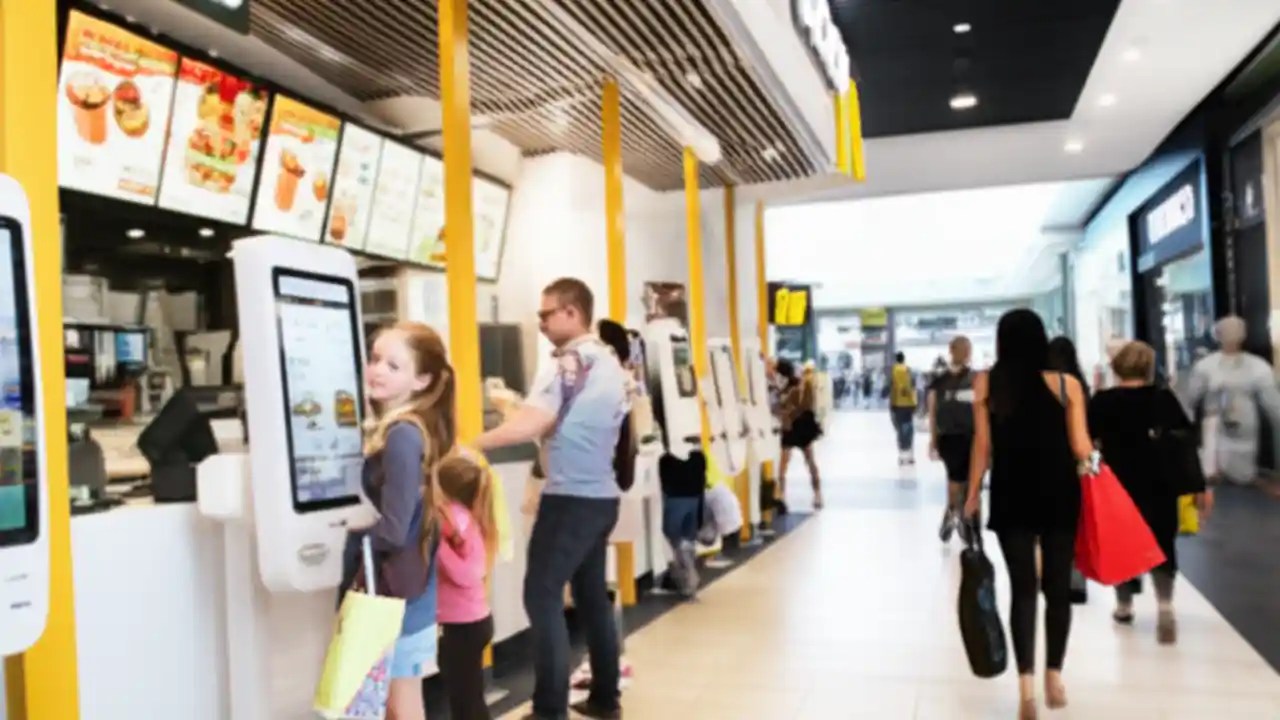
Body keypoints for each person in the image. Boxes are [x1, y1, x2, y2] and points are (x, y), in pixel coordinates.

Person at [474, 278, 627, 720]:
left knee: (541, 595)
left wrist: (470, 444)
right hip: (601, 498)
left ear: (573, 313)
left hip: (569, 498)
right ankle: (604, 698)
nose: (540, 322)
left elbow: (532, 425)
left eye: (546, 313)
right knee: (591, 595)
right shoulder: (610, 361)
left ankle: (548, 711)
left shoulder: (568, 361)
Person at [963, 309, 1093, 720]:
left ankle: (1026, 692)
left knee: (1022, 588)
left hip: (1011, 491)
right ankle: (1054, 676)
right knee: (1057, 588)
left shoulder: (988, 382)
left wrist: (970, 496)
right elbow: (1081, 447)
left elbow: (982, 446)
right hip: (1059, 492)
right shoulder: (1066, 383)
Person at [344, 322, 455, 720]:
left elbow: (393, 526)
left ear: (421, 379)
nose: (377, 371)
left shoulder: (403, 435)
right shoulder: (402, 430)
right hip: (409, 587)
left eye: (393, 365)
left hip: (399, 594)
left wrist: (351, 533)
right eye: (375, 359)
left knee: (401, 703)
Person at [1088, 341, 1213, 645]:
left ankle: (1124, 605)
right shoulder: (1163, 399)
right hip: (1160, 481)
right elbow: (1186, 443)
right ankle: (1165, 604)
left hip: (1117, 483)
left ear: (1117, 367)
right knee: (1161, 542)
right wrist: (1198, 485)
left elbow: (1088, 441)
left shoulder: (1103, 401)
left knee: (1121, 544)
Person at [1183, 316, 1280, 491]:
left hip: (1243, 421)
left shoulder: (1257, 366)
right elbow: (1191, 397)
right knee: (1213, 465)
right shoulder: (1206, 366)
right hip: (1214, 422)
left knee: (1242, 469)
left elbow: (1273, 404)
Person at [435, 455, 498, 720]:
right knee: (471, 697)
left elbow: (468, 572)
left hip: (464, 627)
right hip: (471, 623)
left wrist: (438, 547)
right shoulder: (467, 518)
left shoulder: (456, 520)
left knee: (464, 701)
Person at [928, 336, 974, 542]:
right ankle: (953, 514)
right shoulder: (940, 381)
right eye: (962, 348)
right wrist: (933, 439)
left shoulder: (976, 379)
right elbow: (932, 410)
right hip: (950, 437)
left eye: (968, 349)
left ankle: (960, 516)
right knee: (956, 480)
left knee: (970, 482)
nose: (966, 353)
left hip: (972, 437)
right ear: (952, 350)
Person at [776, 358, 824, 510]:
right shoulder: (788, 386)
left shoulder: (802, 386)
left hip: (800, 426)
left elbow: (805, 405)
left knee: (807, 461)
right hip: (793, 427)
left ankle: (817, 494)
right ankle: (783, 496)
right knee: (787, 463)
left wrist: (789, 411)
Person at [889, 352, 918, 465]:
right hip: (910, 404)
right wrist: (916, 403)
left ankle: (901, 455)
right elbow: (914, 386)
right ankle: (911, 455)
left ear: (896, 359)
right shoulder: (909, 370)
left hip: (897, 404)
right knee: (910, 428)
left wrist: (891, 404)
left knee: (900, 429)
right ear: (904, 359)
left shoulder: (893, 371)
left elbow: (891, 388)